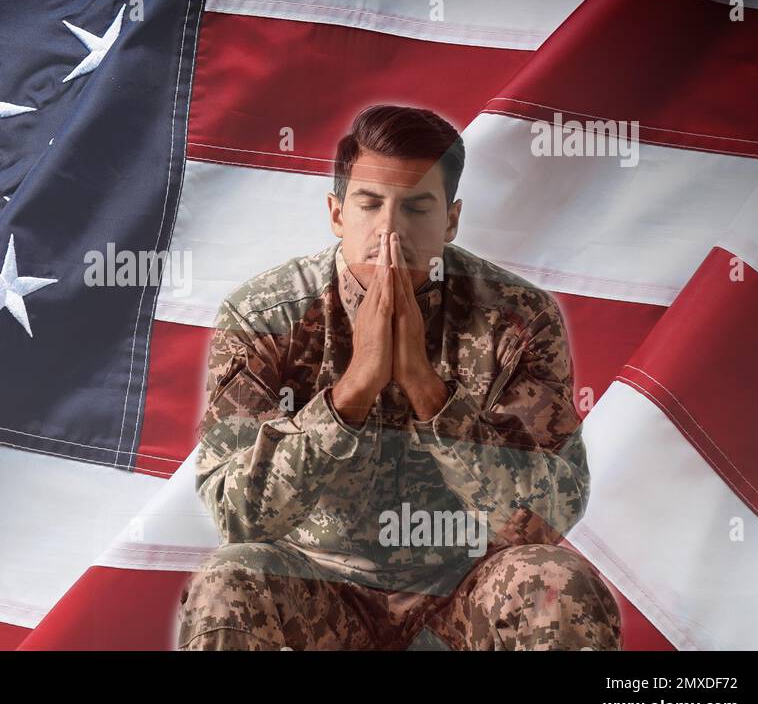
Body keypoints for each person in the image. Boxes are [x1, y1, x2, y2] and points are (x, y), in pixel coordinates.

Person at [177, 104, 622, 650]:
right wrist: (349, 395)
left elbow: (546, 518)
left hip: (463, 587)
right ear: (337, 214)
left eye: (416, 207)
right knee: (229, 580)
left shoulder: (517, 319)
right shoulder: (268, 317)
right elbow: (238, 516)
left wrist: (429, 394)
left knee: (557, 581)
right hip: (320, 586)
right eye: (370, 204)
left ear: (450, 219)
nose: (390, 229)